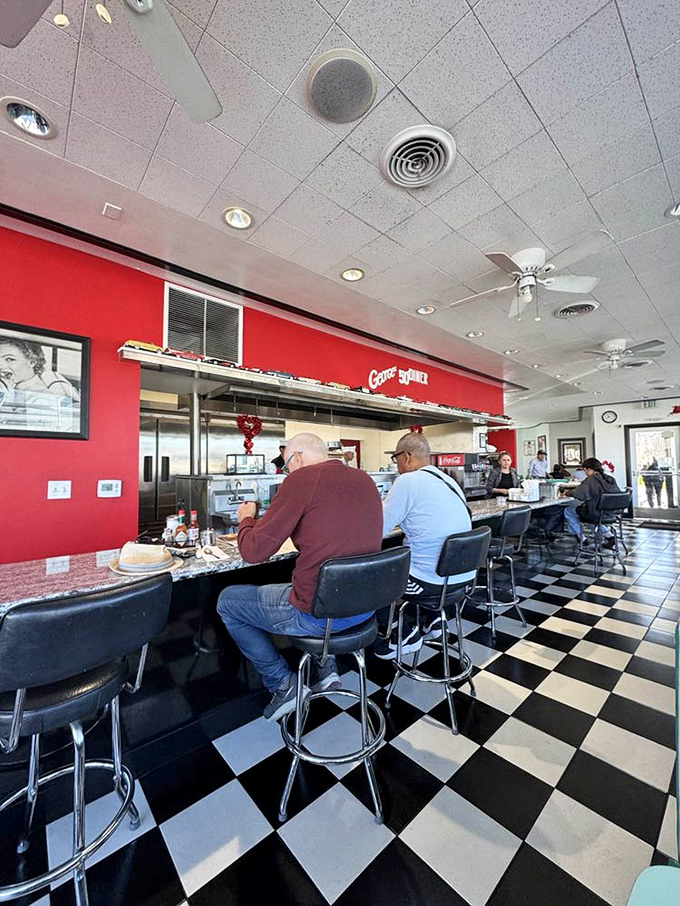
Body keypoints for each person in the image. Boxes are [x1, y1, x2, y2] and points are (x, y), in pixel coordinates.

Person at [217, 433, 383, 722]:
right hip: (365, 610)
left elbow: (254, 551)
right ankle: (326, 668)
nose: (286, 472)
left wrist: (246, 518)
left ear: (298, 458)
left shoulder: (301, 479)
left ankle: (283, 684)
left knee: (227, 602)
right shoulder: (364, 479)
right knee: (322, 586)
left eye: (286, 465)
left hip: (316, 616)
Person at [375, 432, 474, 659]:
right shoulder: (448, 480)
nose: (397, 465)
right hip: (463, 578)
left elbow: (377, 529)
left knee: (374, 572)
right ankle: (435, 619)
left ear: (406, 456)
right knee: (416, 553)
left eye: (396, 459)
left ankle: (402, 633)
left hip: (431, 583)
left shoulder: (407, 481)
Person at [556, 457, 621, 547]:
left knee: (569, 511)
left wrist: (567, 493)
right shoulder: (610, 478)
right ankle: (609, 536)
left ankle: (581, 537)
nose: (585, 473)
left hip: (595, 513)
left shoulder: (591, 479)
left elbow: (579, 494)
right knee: (593, 515)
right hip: (611, 512)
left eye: (585, 471)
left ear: (589, 469)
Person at [0, 338, 79, 400]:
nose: (1, 366)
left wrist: (7, 400)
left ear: (32, 362)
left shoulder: (41, 396)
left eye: (10, 359)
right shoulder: (13, 388)